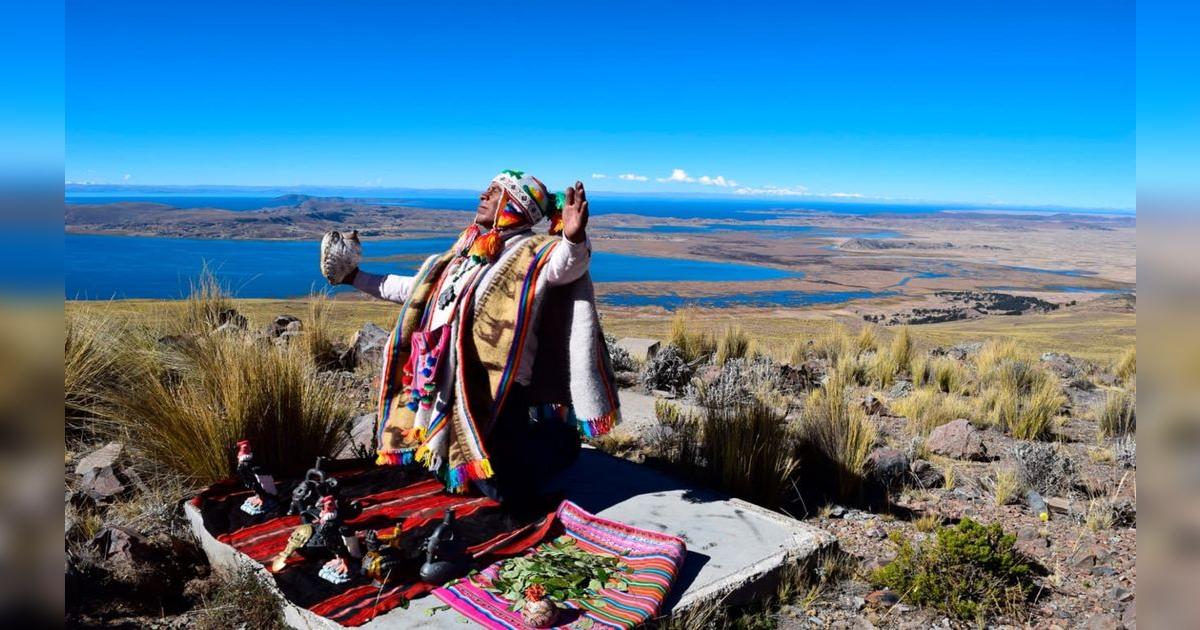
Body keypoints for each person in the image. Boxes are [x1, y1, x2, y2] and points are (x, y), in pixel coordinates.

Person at [321, 170, 619, 504]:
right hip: (448, 379)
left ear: (514, 205)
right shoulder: (467, 253)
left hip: (499, 389)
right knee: (453, 474)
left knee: (503, 491)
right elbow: (415, 290)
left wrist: (574, 239)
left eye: (494, 192)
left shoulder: (535, 253)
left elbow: (568, 267)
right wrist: (355, 277)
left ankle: (561, 444)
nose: (483, 195)